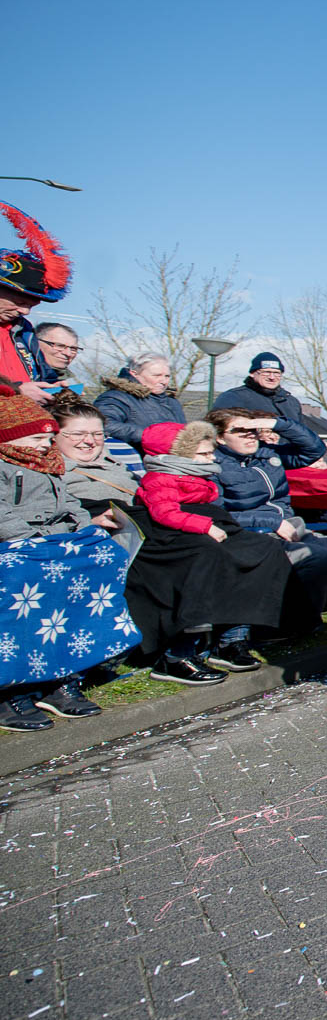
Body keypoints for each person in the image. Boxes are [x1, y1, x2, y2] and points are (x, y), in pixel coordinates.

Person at [0, 388, 135, 729]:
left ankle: (63, 673)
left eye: (49, 438)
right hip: (19, 545)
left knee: (103, 559)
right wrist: (28, 538)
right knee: (23, 584)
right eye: (36, 438)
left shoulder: (49, 465)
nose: (46, 445)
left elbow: (70, 504)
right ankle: (12, 687)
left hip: (53, 542)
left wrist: (84, 528)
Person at [132, 420, 305, 683]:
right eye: (203, 454)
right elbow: (165, 513)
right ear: (178, 455)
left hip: (206, 525)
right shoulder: (162, 479)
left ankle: (233, 639)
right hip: (178, 536)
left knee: (264, 549)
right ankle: (177, 655)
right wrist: (205, 526)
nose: (212, 458)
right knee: (212, 560)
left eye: (210, 452)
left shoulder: (196, 475)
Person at [207, 408, 327, 667]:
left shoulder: (267, 455)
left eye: (253, 430)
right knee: (313, 559)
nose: (250, 436)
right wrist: (272, 522)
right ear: (219, 437)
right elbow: (216, 514)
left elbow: (314, 450)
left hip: (288, 525)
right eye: (240, 431)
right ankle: (263, 628)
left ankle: (293, 621)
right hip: (251, 532)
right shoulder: (214, 466)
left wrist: (274, 423)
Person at [0, 203, 74, 405]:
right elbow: (20, 388)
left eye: (31, 306)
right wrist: (16, 390)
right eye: (19, 302)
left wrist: (55, 388)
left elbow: (41, 375)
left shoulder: (24, 329)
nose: (24, 311)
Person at [95, 353, 186, 449]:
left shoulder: (172, 402)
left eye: (167, 376)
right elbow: (102, 425)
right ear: (135, 374)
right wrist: (149, 435)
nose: (163, 381)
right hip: (133, 456)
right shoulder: (116, 398)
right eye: (156, 375)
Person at [212, 351, 305, 422]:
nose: (272, 377)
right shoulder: (233, 397)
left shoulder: (291, 402)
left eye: (277, 373)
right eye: (266, 372)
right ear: (252, 374)